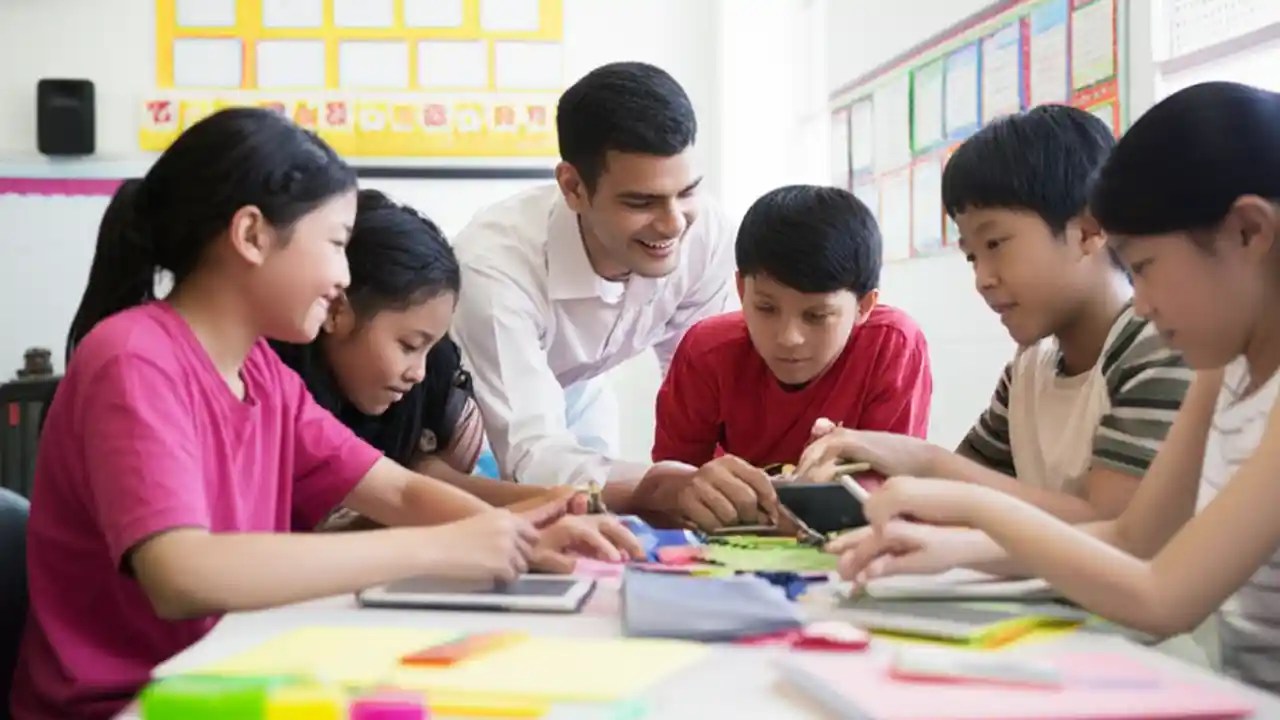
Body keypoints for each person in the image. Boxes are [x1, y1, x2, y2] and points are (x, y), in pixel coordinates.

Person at [12, 108, 583, 720]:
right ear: (252, 235)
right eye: (337, 243)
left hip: (226, 681)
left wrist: (522, 538)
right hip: (128, 705)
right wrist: (440, 548)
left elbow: (397, 491)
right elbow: (181, 574)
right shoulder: (133, 359)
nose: (344, 276)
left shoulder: (261, 372)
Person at [826, 81, 1280, 694]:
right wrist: (953, 548)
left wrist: (968, 506)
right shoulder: (1218, 368)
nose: (1142, 304)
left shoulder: (1183, 356)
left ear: (1249, 232)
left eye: (1145, 268)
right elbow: (1131, 540)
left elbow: (1161, 595)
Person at [797, 104, 1190, 524]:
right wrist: (850, 477)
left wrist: (925, 460)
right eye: (971, 256)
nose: (982, 279)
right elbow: (961, 493)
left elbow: (1111, 528)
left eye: (995, 244)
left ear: (1088, 231)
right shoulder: (1029, 369)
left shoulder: (1157, 345)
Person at [450, 61, 780, 527]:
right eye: (641, 202)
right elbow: (532, 454)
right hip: (474, 415)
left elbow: (709, 392)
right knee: (543, 518)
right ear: (573, 188)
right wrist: (661, 486)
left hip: (581, 392)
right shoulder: (493, 268)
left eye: (687, 191)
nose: (672, 224)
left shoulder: (705, 234)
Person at [271, 189, 641, 564]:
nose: (419, 373)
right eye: (409, 345)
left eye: (430, 349)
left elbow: (408, 488)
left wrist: (550, 507)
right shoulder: (277, 393)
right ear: (336, 311)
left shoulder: (392, 402)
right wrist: (516, 529)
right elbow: (394, 499)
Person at [651, 185, 931, 525]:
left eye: (816, 316)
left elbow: (893, 490)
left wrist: (840, 477)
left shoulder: (892, 346)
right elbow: (667, 487)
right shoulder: (706, 351)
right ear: (741, 290)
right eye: (766, 308)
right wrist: (690, 491)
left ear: (863, 306)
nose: (788, 338)